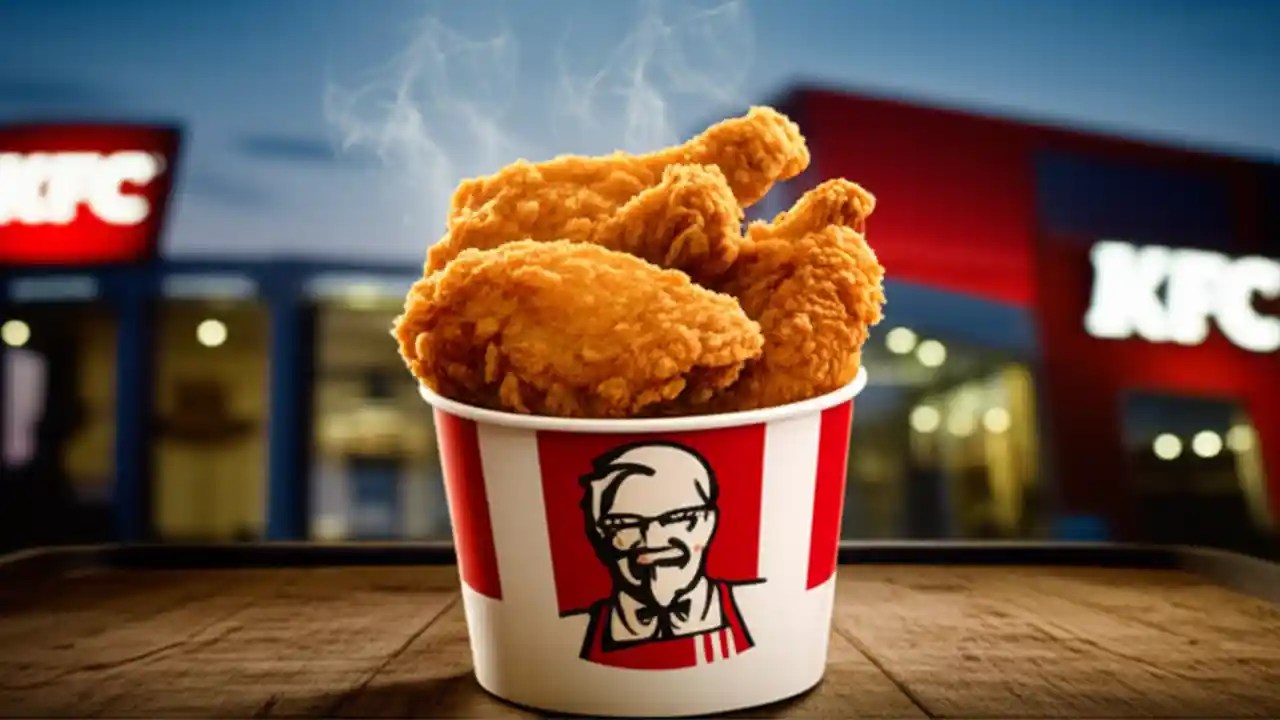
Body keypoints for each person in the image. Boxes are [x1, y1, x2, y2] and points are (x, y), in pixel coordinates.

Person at [577, 442, 754, 669]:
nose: (653, 540)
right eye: (625, 523)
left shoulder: (758, 607)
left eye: (677, 518)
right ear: (601, 535)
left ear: (708, 523)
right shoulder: (571, 630)